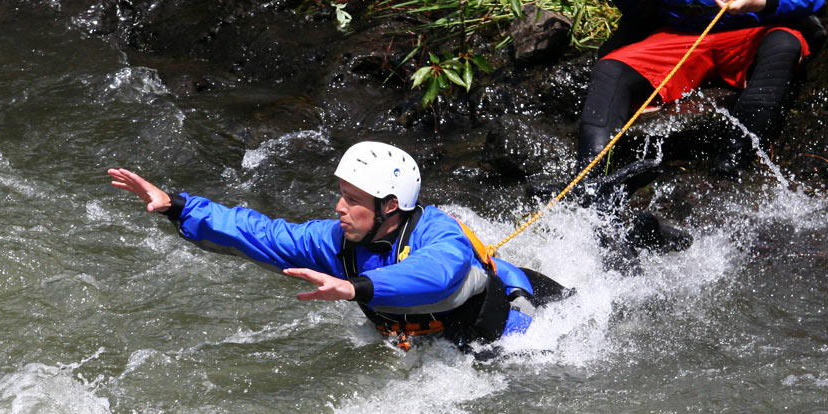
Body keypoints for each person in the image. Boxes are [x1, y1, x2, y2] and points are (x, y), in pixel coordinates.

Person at [109, 142, 570, 351]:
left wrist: (354, 289)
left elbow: (439, 275)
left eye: (352, 200)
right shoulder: (339, 241)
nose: (339, 207)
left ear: (390, 206)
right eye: (341, 195)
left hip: (524, 327)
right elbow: (263, 234)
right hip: (441, 343)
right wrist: (178, 207)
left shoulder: (438, 233)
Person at [579, 0, 828, 181]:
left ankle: (732, 162)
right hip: (681, 35)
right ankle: (589, 178)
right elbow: (633, 7)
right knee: (612, 69)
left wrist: (762, 0)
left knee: (784, 46)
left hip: (752, 30)